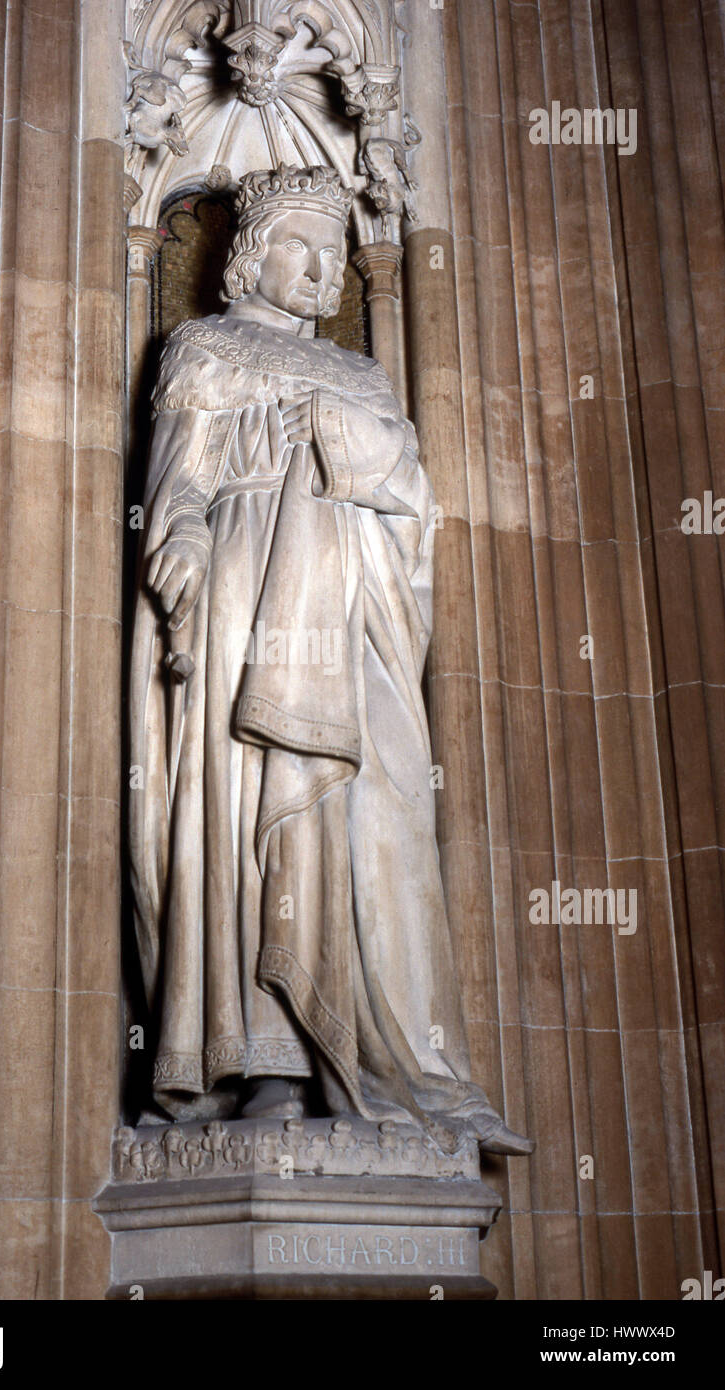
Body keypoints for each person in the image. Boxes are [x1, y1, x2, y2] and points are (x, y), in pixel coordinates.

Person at [129, 163, 531, 1154]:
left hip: (353, 631)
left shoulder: (361, 374)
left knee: (379, 825)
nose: (320, 269)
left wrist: (338, 443)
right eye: (299, 246)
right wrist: (180, 556)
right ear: (249, 257)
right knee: (248, 826)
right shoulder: (204, 351)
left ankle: (403, 1061)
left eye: (335, 252)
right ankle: (266, 1056)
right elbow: (175, 491)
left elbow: (410, 496)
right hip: (244, 621)